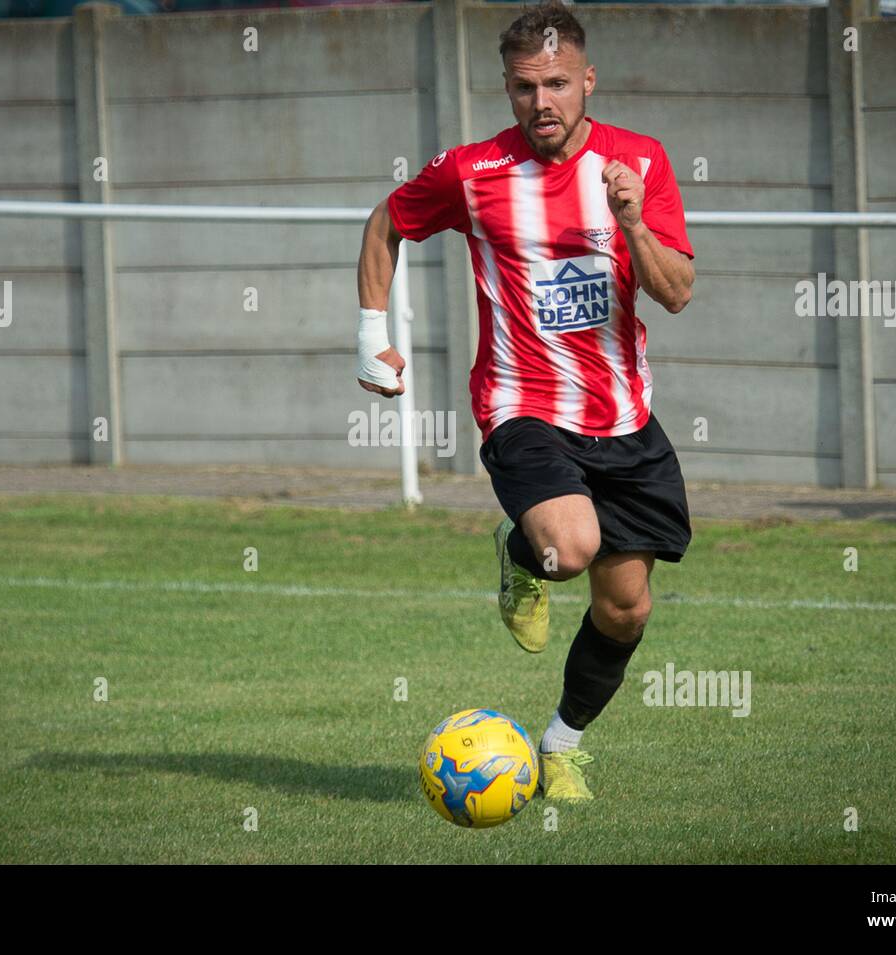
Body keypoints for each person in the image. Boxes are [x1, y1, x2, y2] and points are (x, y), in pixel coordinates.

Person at [355, 0, 695, 801]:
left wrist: (631, 222)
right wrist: (370, 333)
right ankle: (523, 552)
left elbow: (677, 292)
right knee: (568, 547)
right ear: (506, 90)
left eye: (556, 84)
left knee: (626, 609)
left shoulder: (639, 161)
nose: (540, 102)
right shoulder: (471, 174)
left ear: (587, 80)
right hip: (521, 406)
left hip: (623, 420)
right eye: (521, 88)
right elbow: (385, 222)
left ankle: (560, 745)